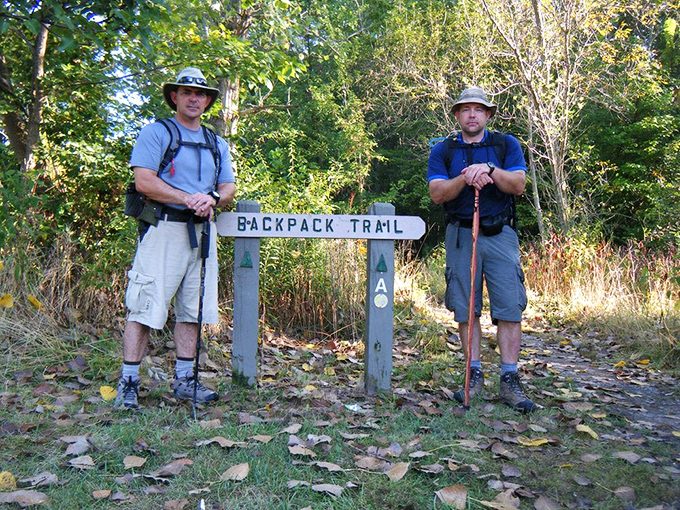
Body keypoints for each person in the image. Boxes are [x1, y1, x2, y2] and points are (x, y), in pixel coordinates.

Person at [115, 67, 236, 409]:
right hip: (163, 227)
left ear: (208, 100)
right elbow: (144, 182)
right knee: (144, 307)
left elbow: (228, 187)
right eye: (186, 92)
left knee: (191, 310)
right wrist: (189, 198)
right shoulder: (156, 133)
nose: (194, 98)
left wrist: (211, 198)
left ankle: (185, 381)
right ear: (174, 97)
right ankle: (129, 382)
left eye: (200, 94)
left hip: (202, 232)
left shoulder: (217, 142)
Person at [427, 87, 537, 413]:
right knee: (466, 306)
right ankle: (472, 375)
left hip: (500, 234)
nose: (472, 115)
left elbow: (517, 185)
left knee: (509, 306)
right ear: (457, 115)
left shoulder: (506, 145)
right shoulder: (443, 150)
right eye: (465, 109)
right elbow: (437, 193)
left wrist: (489, 169)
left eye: (479, 109)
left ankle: (510, 380)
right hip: (461, 235)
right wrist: (466, 176)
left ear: (488, 115)